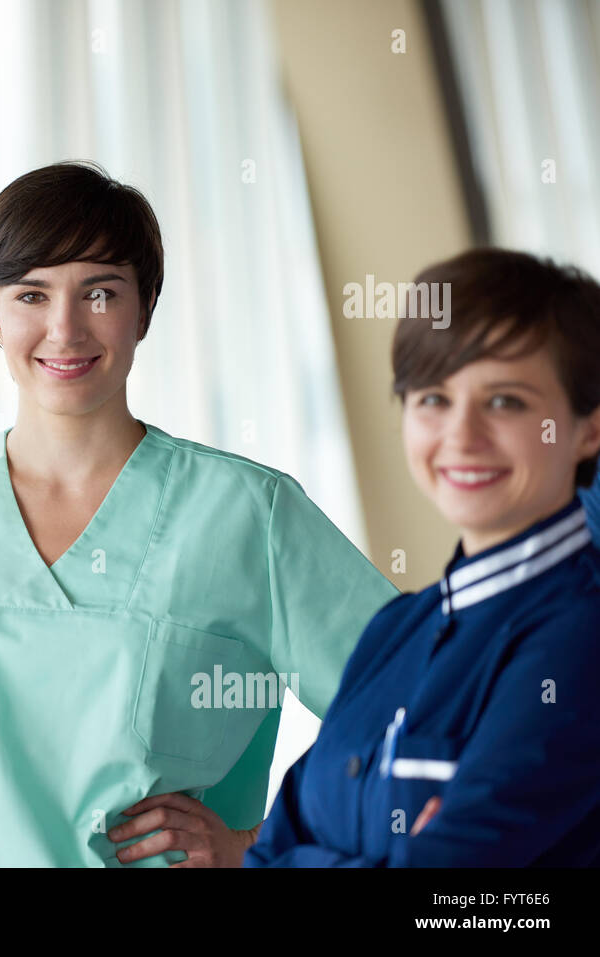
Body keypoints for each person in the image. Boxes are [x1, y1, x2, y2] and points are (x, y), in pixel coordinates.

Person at [0, 161, 398, 867]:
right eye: (31, 294)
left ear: (144, 308)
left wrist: (258, 848)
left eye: (100, 291)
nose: (64, 327)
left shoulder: (248, 516)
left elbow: (428, 719)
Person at [246, 248, 600, 867]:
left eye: (505, 401)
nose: (461, 437)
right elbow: (268, 850)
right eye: (434, 398)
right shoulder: (397, 628)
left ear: (589, 429)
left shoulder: (580, 636)